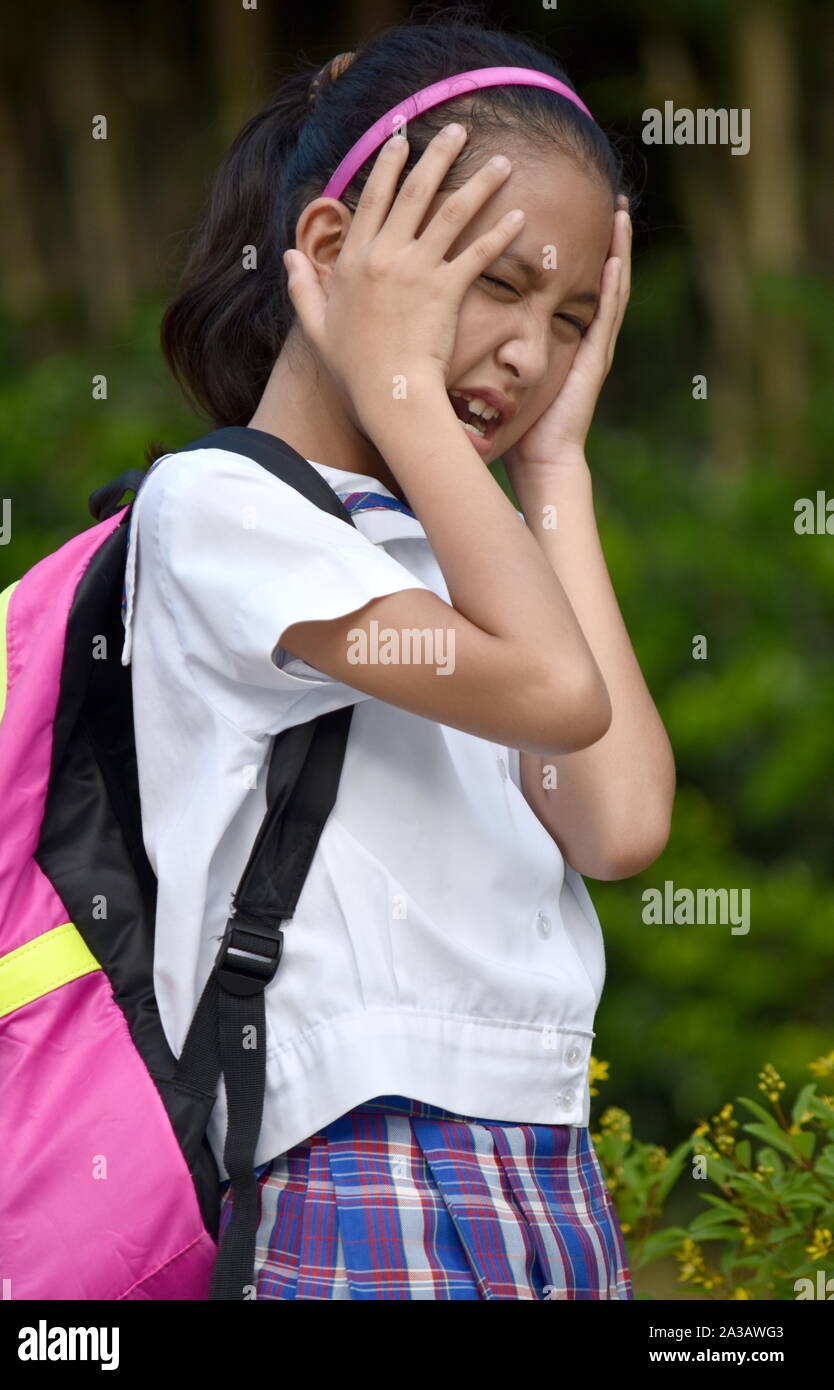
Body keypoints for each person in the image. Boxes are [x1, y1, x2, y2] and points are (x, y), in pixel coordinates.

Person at [122, 8, 675, 1299]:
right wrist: (412, 396)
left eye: (571, 316)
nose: (529, 353)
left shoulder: (453, 539)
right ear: (332, 249)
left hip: (543, 1163)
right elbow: (552, 690)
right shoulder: (223, 514)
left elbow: (618, 820)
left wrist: (552, 466)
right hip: (357, 1156)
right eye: (497, 284)